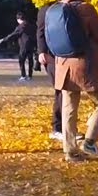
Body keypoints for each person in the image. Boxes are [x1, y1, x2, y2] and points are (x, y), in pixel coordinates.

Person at [45, 0, 98, 161]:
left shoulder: (55, 9)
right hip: (85, 64)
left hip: (63, 65)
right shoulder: (86, 9)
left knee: (68, 108)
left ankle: (70, 150)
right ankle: (90, 142)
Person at [36, 9, 66, 143]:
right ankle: (58, 128)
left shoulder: (69, 7)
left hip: (66, 55)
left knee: (66, 91)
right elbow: (40, 31)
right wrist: (42, 51)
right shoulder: (47, 9)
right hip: (51, 56)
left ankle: (65, 128)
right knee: (61, 90)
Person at [0, 12, 37, 81]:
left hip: (24, 46)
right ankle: (30, 76)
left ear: (18, 19)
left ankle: (23, 76)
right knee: (30, 61)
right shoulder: (31, 25)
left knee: (21, 60)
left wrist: (3, 39)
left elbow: (13, 34)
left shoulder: (21, 26)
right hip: (31, 45)